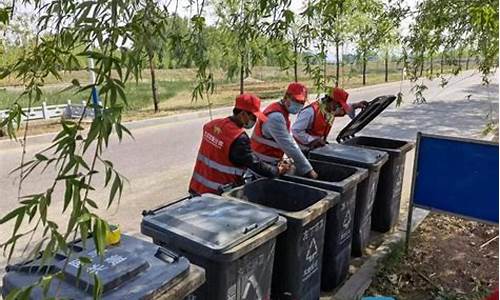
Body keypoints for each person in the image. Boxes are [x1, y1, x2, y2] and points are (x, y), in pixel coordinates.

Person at [189, 93, 291, 195]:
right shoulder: (238, 138)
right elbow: (254, 164)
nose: (255, 121)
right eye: (253, 117)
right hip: (216, 195)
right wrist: (277, 170)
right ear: (243, 114)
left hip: (197, 188)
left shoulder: (211, 125)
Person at [251, 82, 318, 179]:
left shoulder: (281, 112)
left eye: (302, 103)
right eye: (296, 100)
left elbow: (289, 139)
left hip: (270, 164)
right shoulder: (275, 117)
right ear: (286, 96)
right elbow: (290, 146)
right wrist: (309, 171)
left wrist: (307, 148)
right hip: (262, 168)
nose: (298, 105)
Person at [292, 87, 368, 151]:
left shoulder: (330, 109)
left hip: (318, 147)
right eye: (338, 104)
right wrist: (313, 140)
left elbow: (342, 110)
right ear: (329, 100)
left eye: (340, 105)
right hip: (304, 149)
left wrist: (355, 105)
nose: (338, 107)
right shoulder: (310, 112)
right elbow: (296, 131)